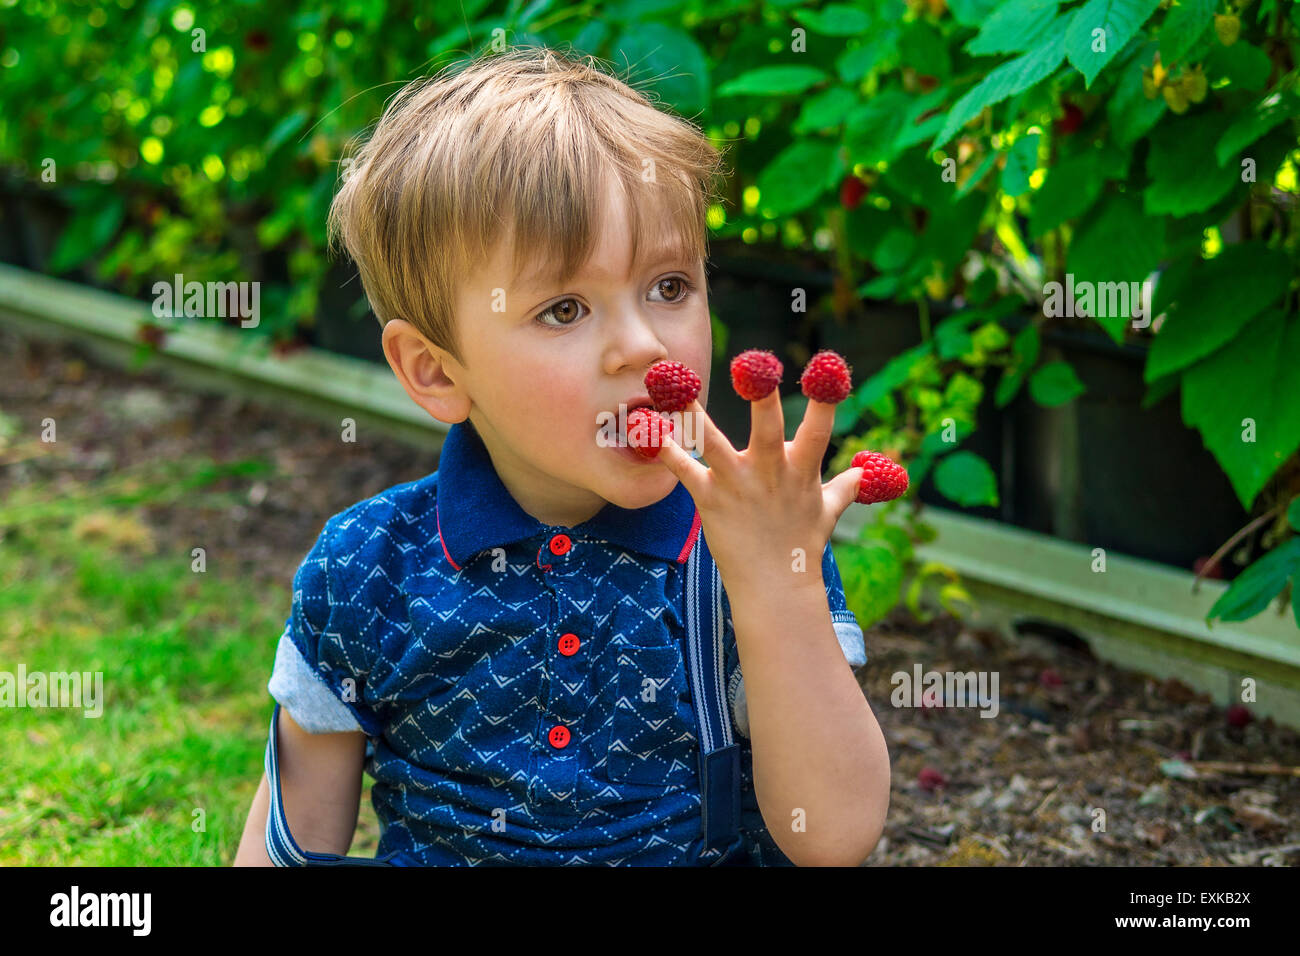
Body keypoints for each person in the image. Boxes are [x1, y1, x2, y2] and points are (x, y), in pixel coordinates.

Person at [234, 45, 890, 867]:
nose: (645, 346)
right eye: (565, 308)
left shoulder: (749, 540)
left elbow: (833, 839)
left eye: (670, 287)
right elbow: (292, 842)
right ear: (436, 371)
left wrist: (776, 585)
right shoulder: (368, 572)